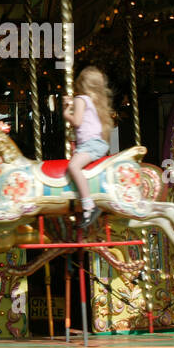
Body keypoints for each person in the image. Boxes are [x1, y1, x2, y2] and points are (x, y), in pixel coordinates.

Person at [62, 66, 113, 229]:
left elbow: (76, 121)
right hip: (95, 144)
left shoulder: (80, 99)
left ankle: (88, 206)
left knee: (73, 166)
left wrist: (65, 112)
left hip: (90, 145)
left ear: (81, 84)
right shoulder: (93, 101)